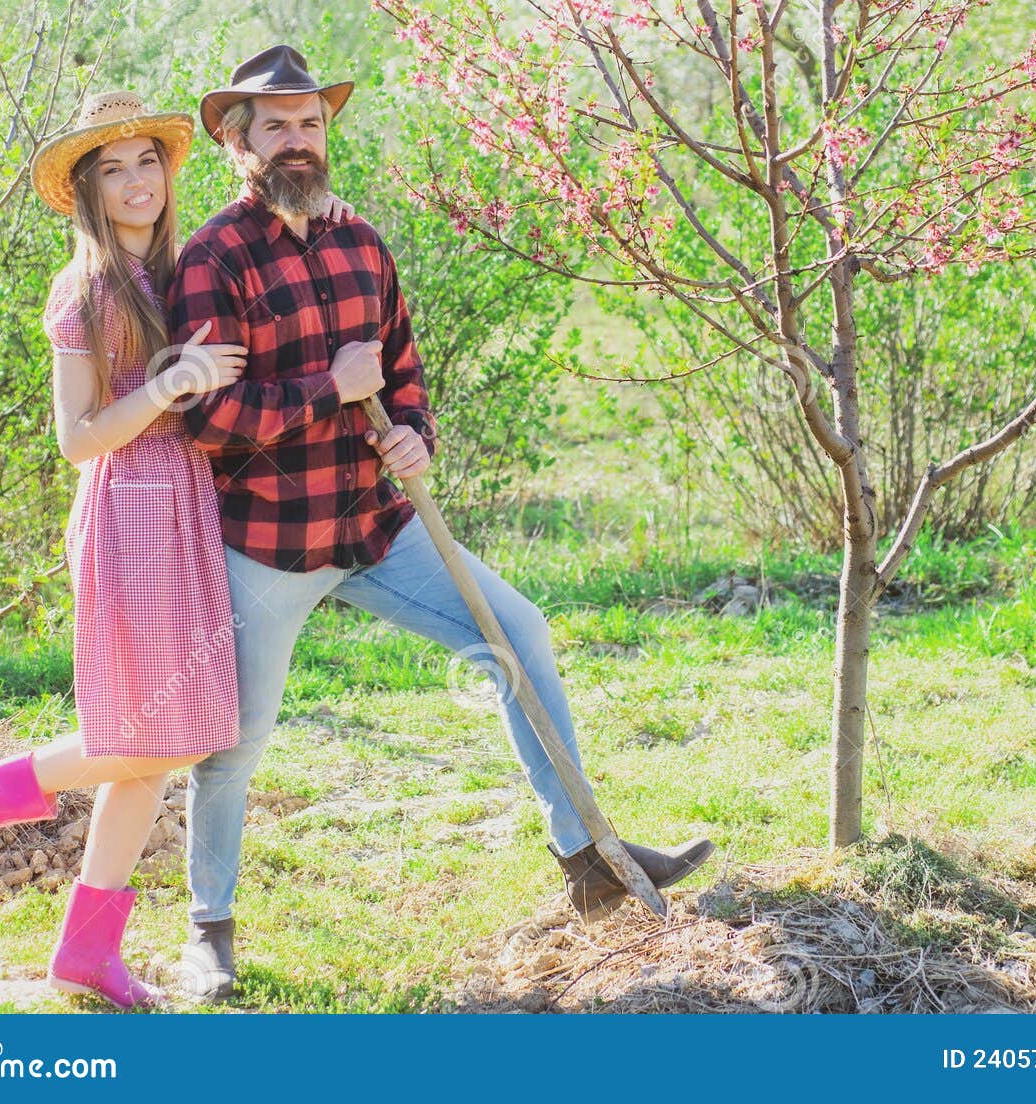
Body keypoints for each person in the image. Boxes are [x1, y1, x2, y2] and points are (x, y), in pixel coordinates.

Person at [167, 45, 714, 1002]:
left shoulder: (360, 243)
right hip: (269, 541)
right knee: (238, 743)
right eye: (277, 126)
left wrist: (414, 435)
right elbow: (206, 421)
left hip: (379, 525)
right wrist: (323, 391)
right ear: (237, 142)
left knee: (517, 636)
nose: (299, 141)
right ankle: (209, 929)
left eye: (312, 124)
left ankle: (585, 853)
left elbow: (404, 372)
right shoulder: (214, 258)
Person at [0, 92, 356, 1009]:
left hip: (188, 506)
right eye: (113, 169)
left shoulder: (180, 262)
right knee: (152, 734)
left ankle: (84, 950)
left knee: (162, 744)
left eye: (148, 162)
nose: (137, 182)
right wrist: (172, 384)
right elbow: (77, 439)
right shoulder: (85, 288)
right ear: (86, 189)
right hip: (129, 511)